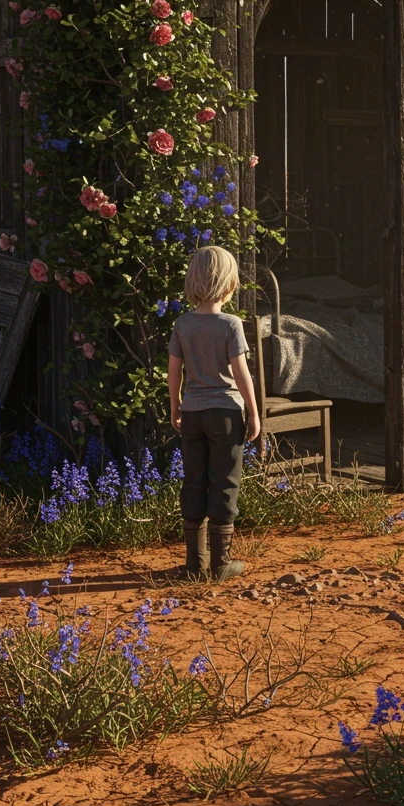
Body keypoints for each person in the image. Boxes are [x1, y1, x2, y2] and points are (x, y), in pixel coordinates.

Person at [168, 245, 260, 581]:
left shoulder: (183, 324)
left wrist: (175, 406)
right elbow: (241, 373)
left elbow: (174, 370)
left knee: (194, 481)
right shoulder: (230, 324)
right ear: (230, 285)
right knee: (224, 482)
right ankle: (220, 563)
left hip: (192, 412)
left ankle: (195, 564)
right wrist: (254, 412)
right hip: (225, 413)